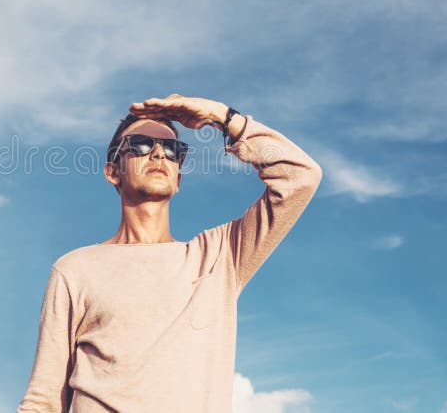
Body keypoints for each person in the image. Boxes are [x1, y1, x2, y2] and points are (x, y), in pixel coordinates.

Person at [17, 94, 323, 413]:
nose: (159, 153)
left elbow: (300, 176)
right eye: (140, 145)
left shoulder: (220, 258)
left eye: (173, 149)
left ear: (178, 179)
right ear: (112, 171)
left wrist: (221, 117)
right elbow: (44, 399)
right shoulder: (75, 269)